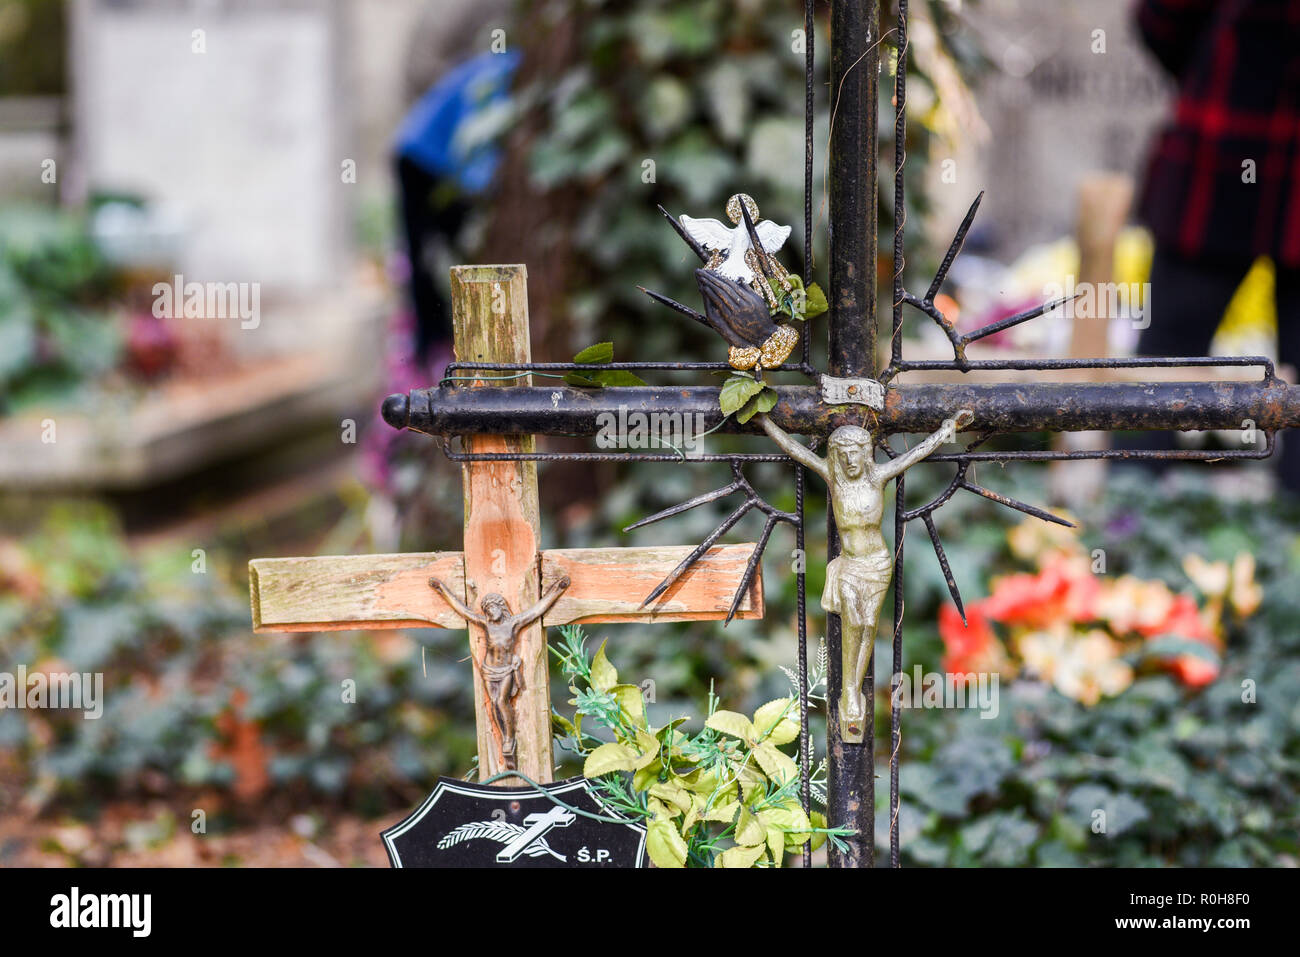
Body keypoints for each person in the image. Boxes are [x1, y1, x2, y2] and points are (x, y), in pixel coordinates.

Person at [1133, 0, 1300, 490]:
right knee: (1166, 363)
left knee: (1165, 367)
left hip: (1225, 141)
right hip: (1225, 143)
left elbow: (1163, 18)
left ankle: (1127, 533)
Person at [758, 411, 973, 742]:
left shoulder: (878, 477)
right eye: (842, 455)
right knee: (854, 621)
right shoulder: (832, 475)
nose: (848, 461)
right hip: (849, 563)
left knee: (869, 626)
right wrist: (765, 422)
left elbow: (916, 453)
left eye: (854, 453)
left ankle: (852, 689)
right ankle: (849, 694)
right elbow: (796, 450)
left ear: (866, 453)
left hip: (877, 564)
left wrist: (948, 428)